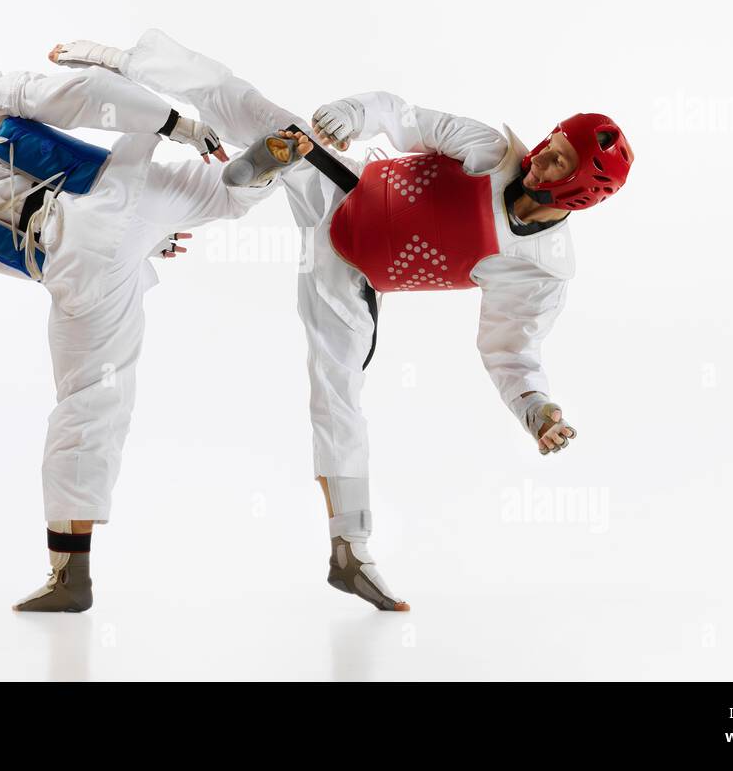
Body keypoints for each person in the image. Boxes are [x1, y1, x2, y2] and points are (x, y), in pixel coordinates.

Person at [53, 31, 634, 612]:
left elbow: (512, 350)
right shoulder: (492, 151)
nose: (542, 157)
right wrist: (354, 112)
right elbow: (402, 116)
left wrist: (538, 411)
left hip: (349, 280)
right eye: (551, 143)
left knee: (338, 399)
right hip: (340, 185)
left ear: (584, 190)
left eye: (560, 161)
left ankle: (349, 552)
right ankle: (133, 68)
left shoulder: (539, 269)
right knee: (246, 103)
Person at [0, 26, 278, 612]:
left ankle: (70, 575)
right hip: (122, 194)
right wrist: (177, 124)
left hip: (77, 270)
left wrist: (107, 251)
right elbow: (85, 92)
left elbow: (4, 253)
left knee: (85, 403)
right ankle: (261, 169)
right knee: (216, 195)